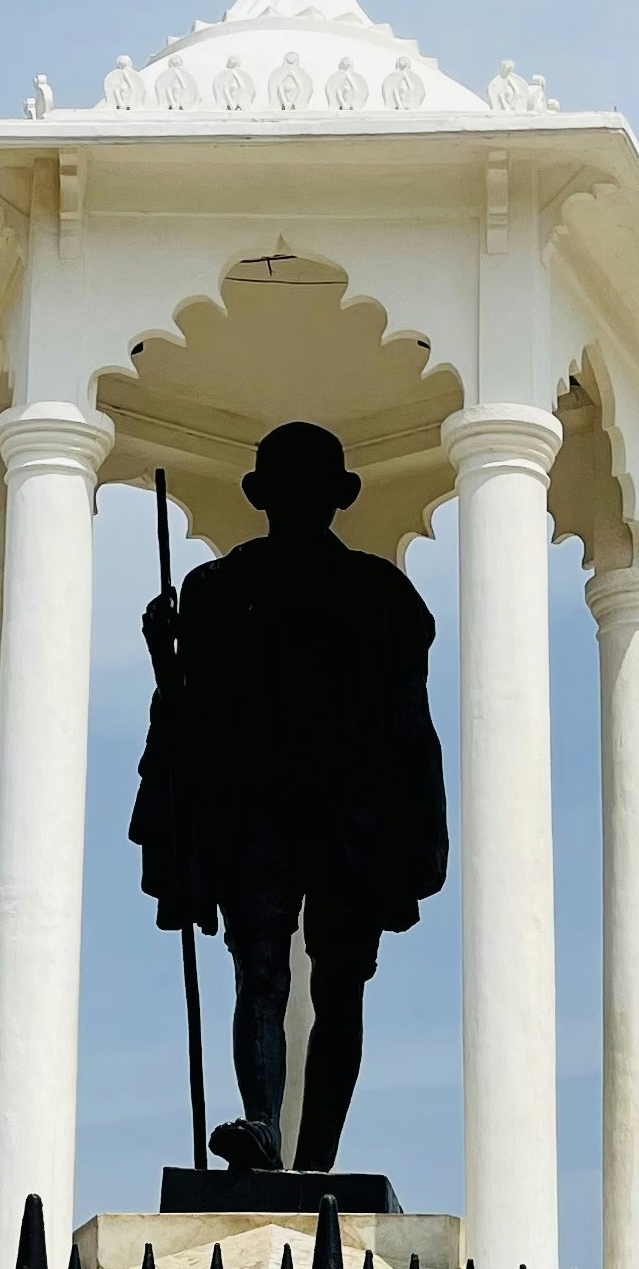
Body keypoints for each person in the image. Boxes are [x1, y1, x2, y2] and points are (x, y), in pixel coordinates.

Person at [132, 420, 448, 1175]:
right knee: (262, 970)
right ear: (259, 496)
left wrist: (419, 831)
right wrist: (163, 654)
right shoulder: (218, 591)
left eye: (312, 486)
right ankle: (264, 1131)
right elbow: (194, 716)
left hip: (351, 811)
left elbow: (410, 725)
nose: (300, 501)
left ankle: (314, 1166)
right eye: (288, 486)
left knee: (337, 985)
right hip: (259, 807)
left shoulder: (383, 598)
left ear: (338, 498)